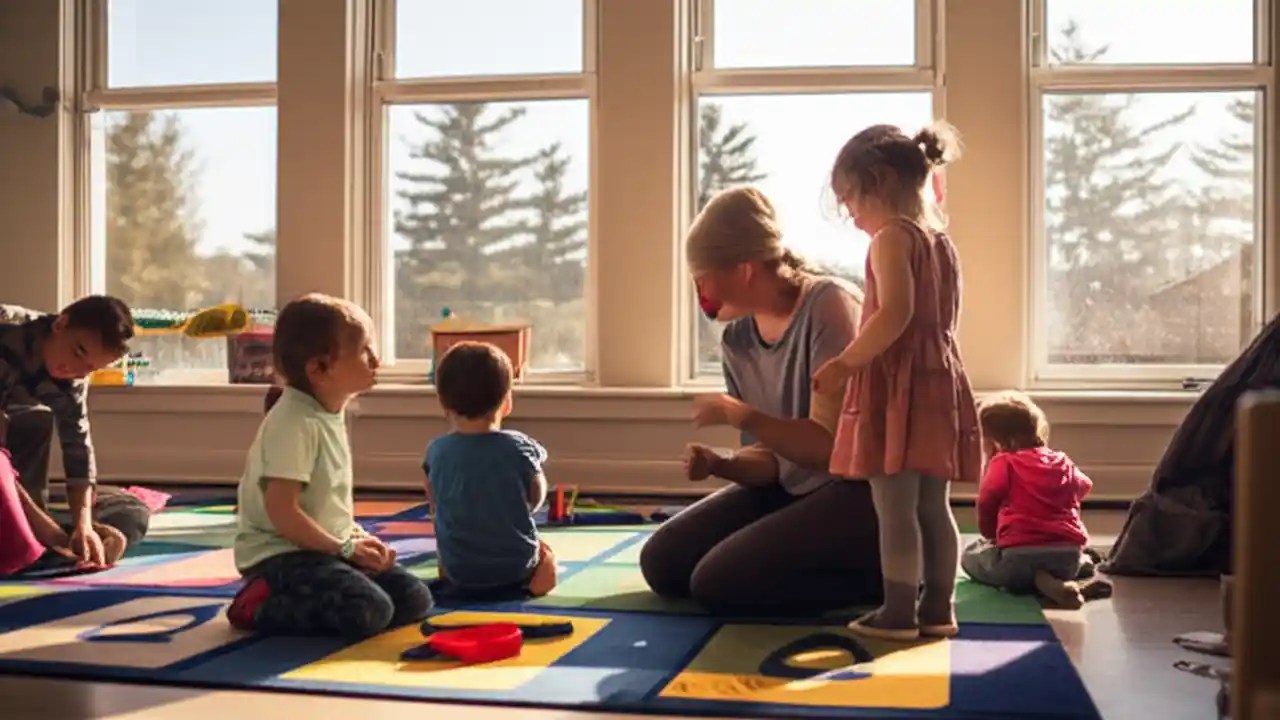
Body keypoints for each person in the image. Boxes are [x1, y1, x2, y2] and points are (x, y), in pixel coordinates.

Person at [639, 186, 883, 617]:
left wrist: (741, 414)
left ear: (745, 269)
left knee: (718, 584)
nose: (700, 291)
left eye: (703, 277)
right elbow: (772, 459)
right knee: (663, 564)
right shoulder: (737, 339)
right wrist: (722, 464)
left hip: (857, 493)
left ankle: (888, 575)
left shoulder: (829, 306)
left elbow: (829, 449)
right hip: (794, 490)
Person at [813, 122, 981, 641]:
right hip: (939, 380)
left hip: (898, 386)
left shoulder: (890, 239)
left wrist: (847, 362)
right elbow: (940, 318)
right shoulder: (940, 242)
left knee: (894, 506)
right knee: (935, 504)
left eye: (850, 201)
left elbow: (896, 316)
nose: (852, 216)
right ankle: (939, 608)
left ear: (879, 182)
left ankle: (898, 612)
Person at [227, 293, 432, 638]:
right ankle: (258, 604)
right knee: (370, 610)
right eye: (364, 350)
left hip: (321, 547)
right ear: (319, 369)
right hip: (282, 555)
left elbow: (325, 503)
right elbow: (283, 511)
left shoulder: (326, 412)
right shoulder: (294, 422)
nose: (376, 359)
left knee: (415, 599)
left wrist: (357, 538)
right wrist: (345, 549)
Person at [0, 297, 150, 567]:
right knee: (34, 422)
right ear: (61, 323)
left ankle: (53, 538)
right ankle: (35, 540)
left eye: (90, 367)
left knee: (130, 513)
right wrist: (51, 534)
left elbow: (78, 448)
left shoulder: (74, 377)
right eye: (78, 351)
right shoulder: (7, 332)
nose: (73, 369)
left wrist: (85, 524)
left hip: (16, 469)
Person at [424, 341, 557, 599]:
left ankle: (455, 573)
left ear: (442, 402)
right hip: (515, 569)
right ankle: (533, 587)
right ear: (507, 403)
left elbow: (434, 499)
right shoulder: (519, 447)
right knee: (546, 554)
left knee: (446, 537)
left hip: (458, 570)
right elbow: (536, 498)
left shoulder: (436, 451)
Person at [963, 391, 1104, 608]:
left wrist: (990, 535)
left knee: (970, 555)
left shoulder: (1004, 462)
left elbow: (987, 502)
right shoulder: (1061, 461)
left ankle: (1041, 581)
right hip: (1067, 557)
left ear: (999, 443)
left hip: (1017, 559)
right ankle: (1062, 578)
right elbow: (1084, 486)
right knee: (1059, 560)